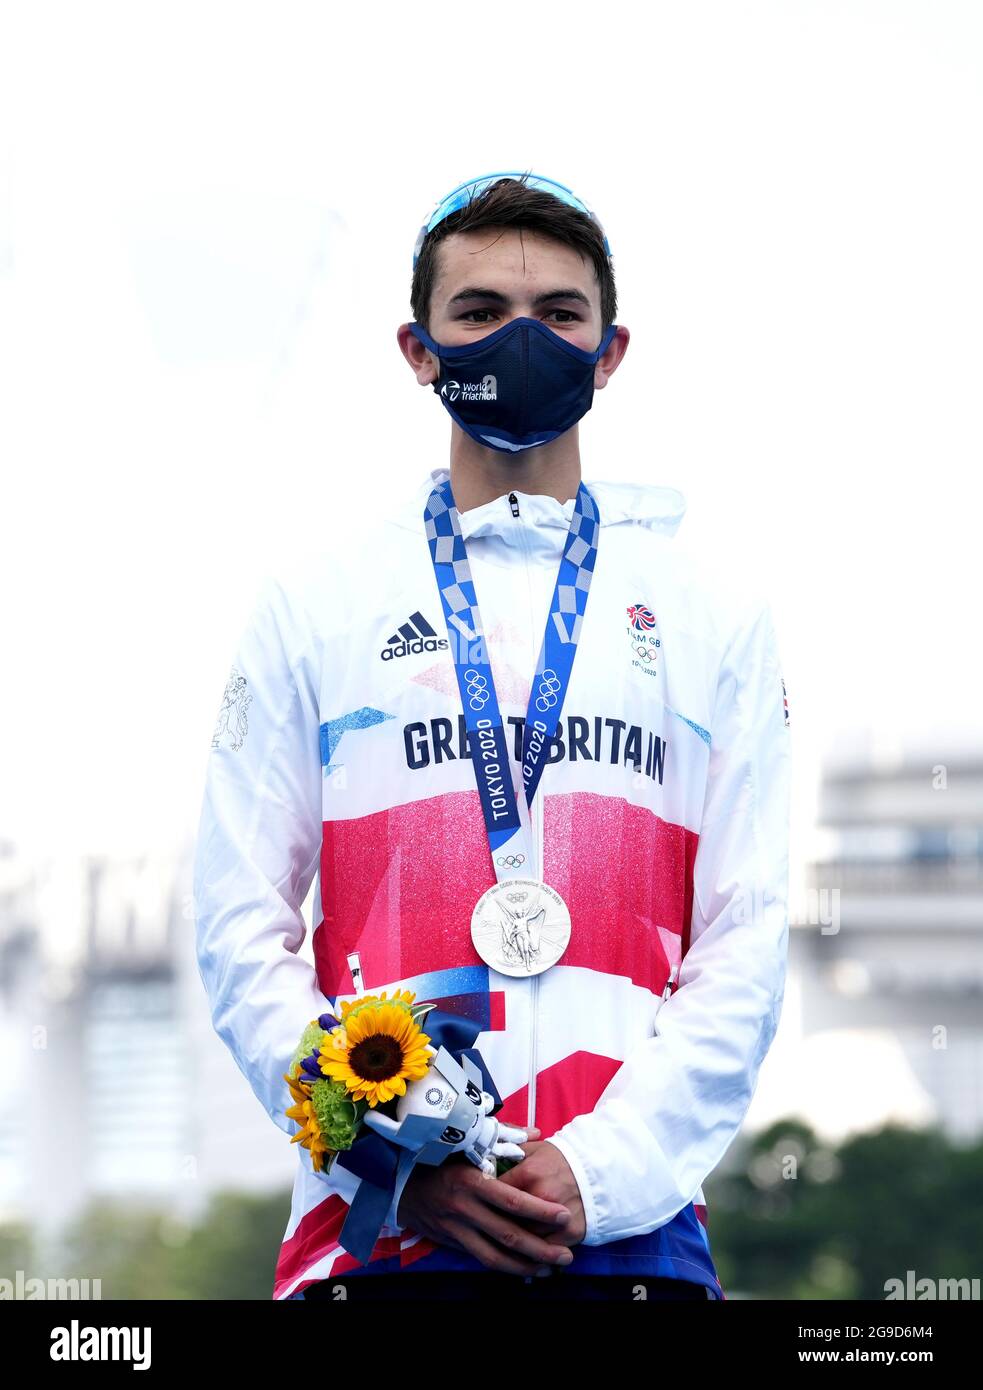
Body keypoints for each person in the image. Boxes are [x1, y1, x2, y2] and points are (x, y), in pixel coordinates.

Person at [193, 170, 792, 1303]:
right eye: (478, 314)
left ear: (609, 351)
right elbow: (237, 927)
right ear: (417, 348)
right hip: (369, 1235)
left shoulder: (712, 613)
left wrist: (597, 1169)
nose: (522, 340)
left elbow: (746, 941)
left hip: (630, 1237)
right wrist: (388, 1155)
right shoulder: (315, 604)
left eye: (558, 315)